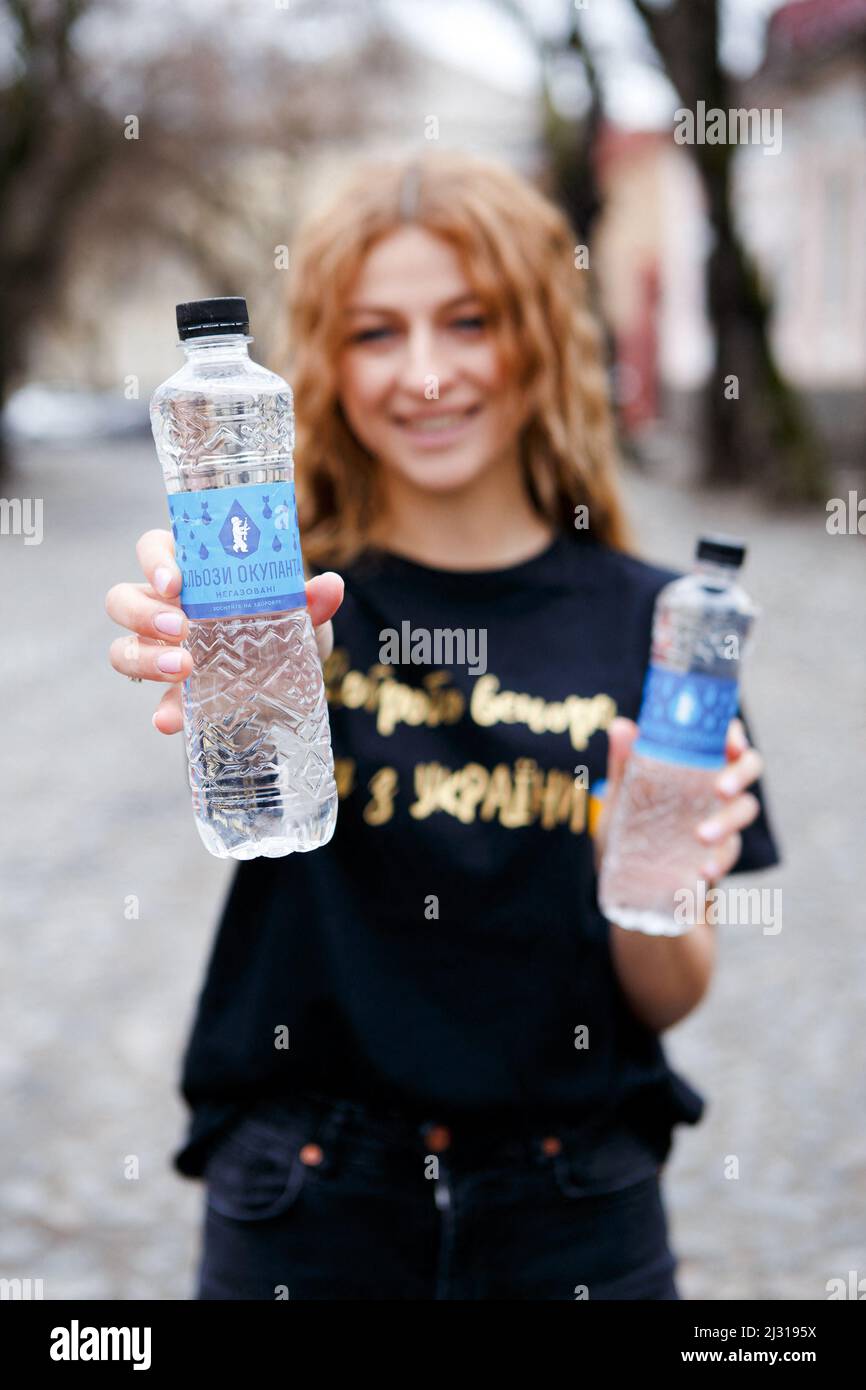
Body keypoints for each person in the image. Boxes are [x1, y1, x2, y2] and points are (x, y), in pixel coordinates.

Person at [105, 152, 781, 1300]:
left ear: (538, 338)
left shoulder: (660, 625)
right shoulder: (283, 588)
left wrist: (649, 870)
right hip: (304, 1204)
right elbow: (258, 696)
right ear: (323, 359)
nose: (424, 374)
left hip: (575, 1213)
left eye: (467, 320)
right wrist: (209, 651)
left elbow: (666, 994)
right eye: (375, 332)